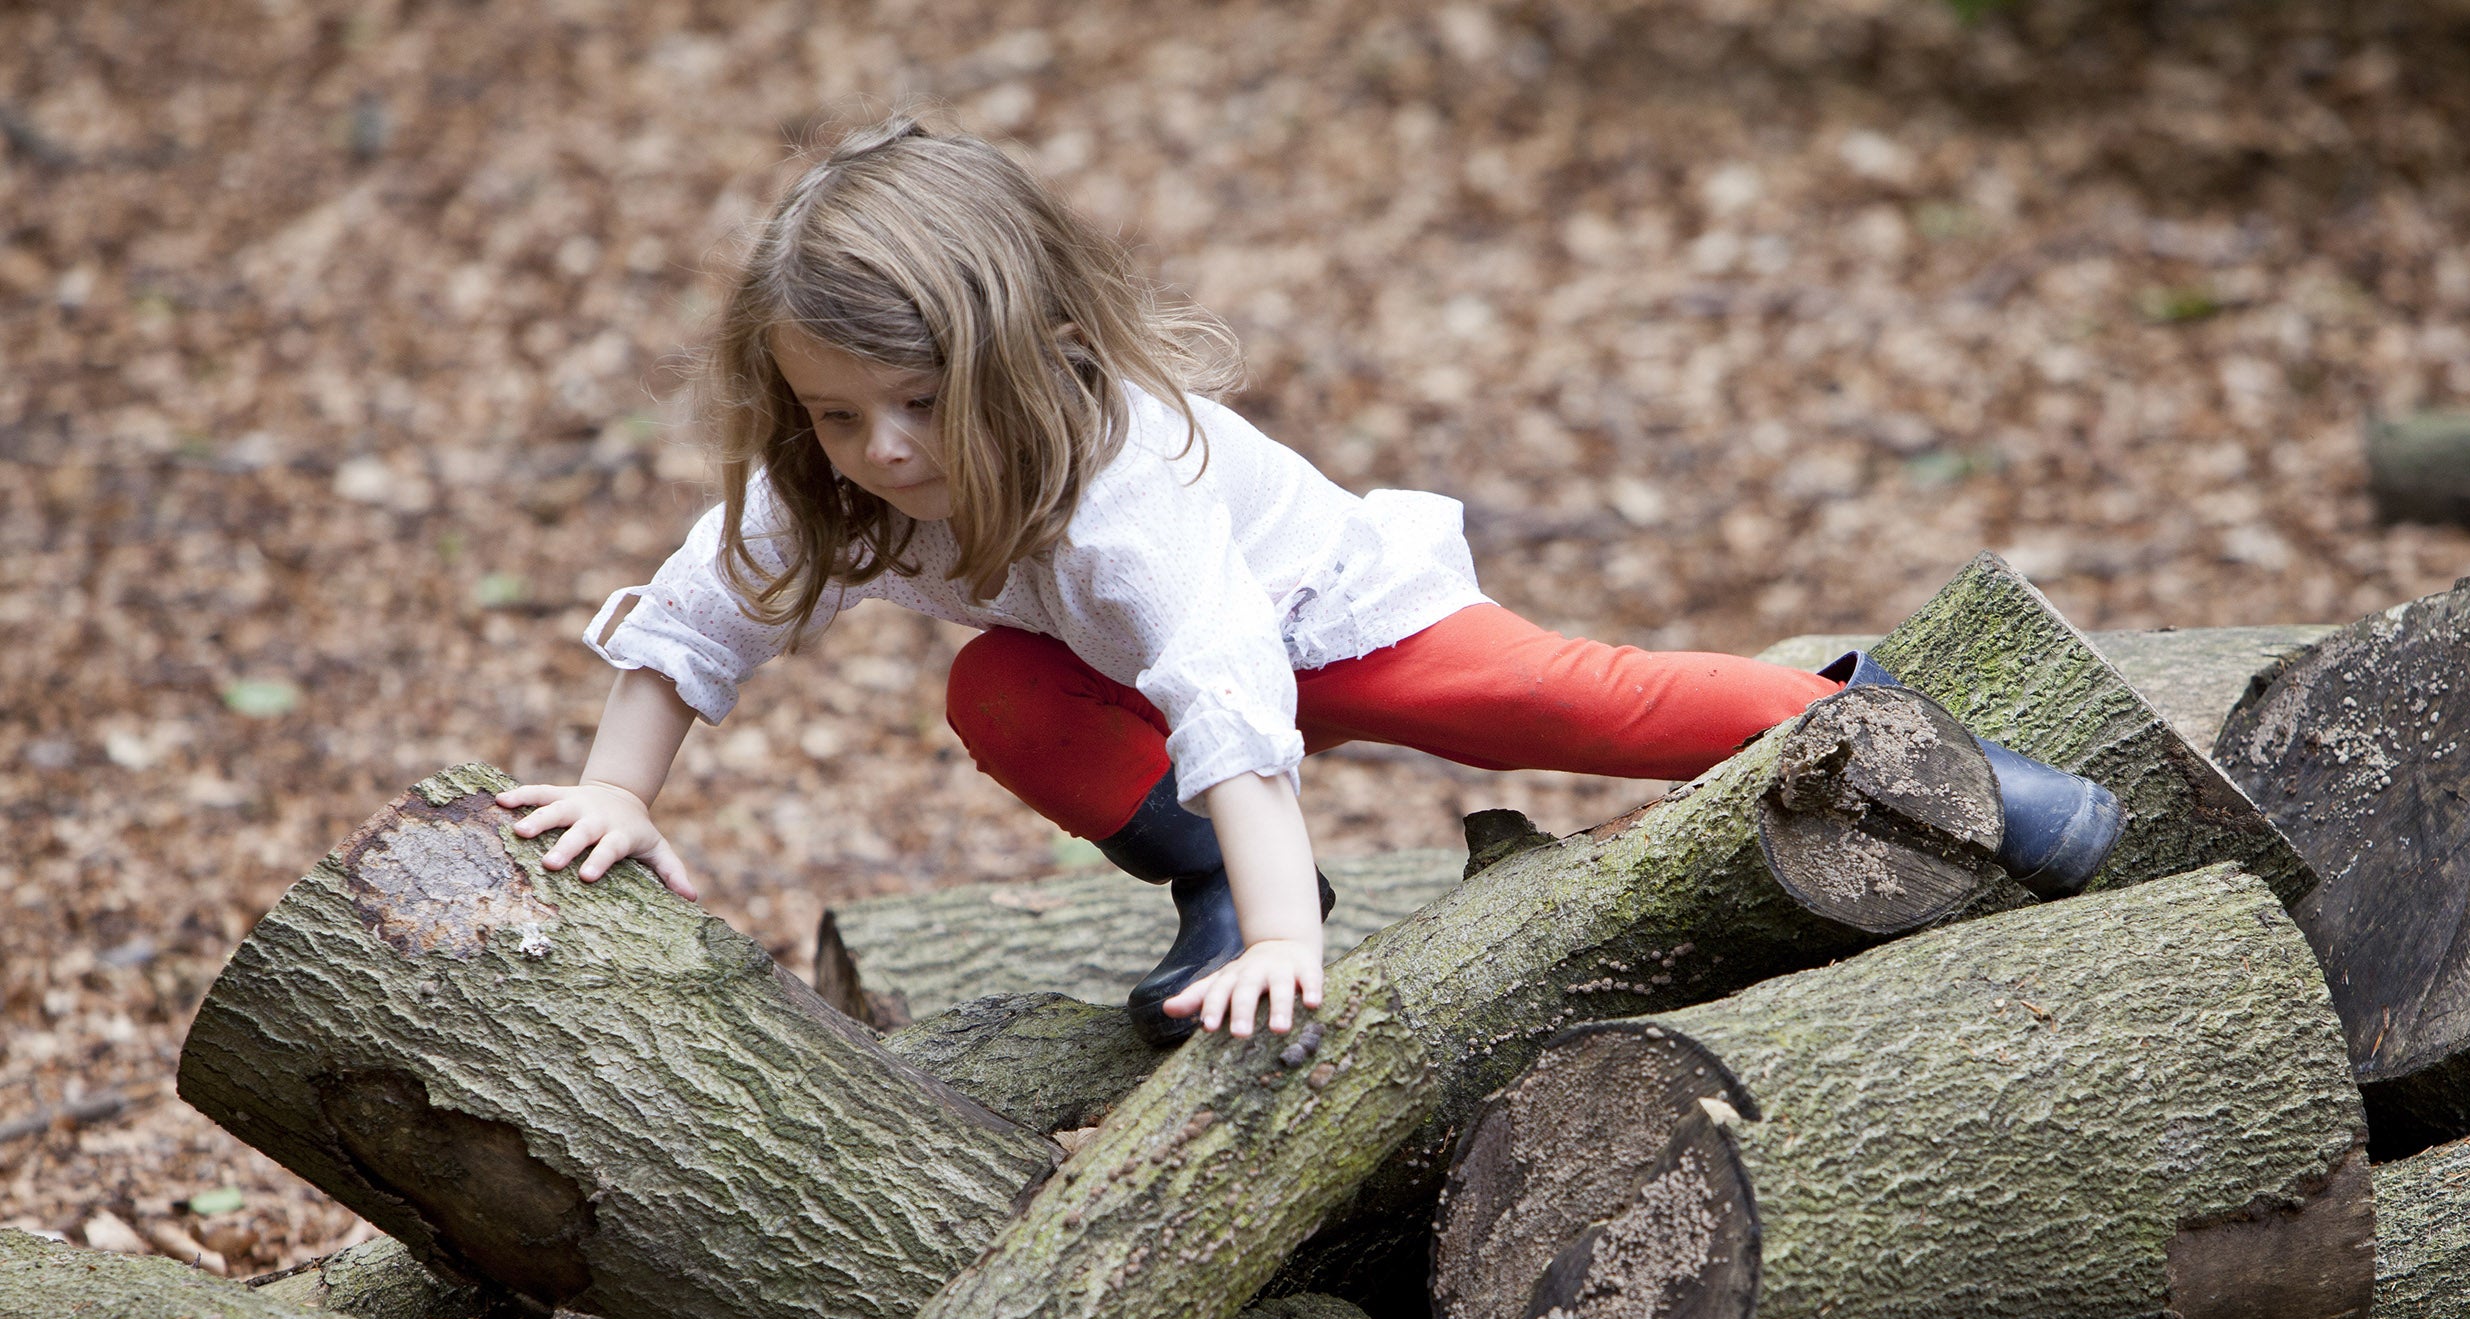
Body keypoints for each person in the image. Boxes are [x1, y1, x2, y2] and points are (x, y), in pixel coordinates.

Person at [501, 118, 2117, 1049]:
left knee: (1544, 701)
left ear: (1037, 361)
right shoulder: (836, 474)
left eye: (920, 407)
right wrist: (617, 792)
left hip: (1325, 625)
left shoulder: (1122, 492)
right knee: (998, 693)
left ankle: (1889, 734)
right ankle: (1209, 883)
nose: (885, 453)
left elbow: (1228, 685)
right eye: (840, 416)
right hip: (1120, 671)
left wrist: (1290, 943)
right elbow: (706, 603)